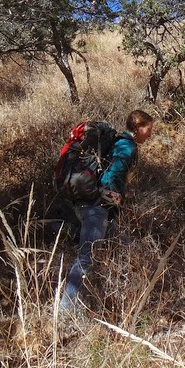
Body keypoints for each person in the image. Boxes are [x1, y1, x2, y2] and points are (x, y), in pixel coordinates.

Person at [58, 109, 153, 313]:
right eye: (148, 129)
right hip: (97, 207)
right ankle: (64, 310)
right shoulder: (126, 146)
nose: (150, 134)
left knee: (123, 245)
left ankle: (130, 297)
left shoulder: (118, 142)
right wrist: (112, 202)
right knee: (86, 257)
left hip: (87, 204)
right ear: (137, 127)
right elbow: (113, 175)